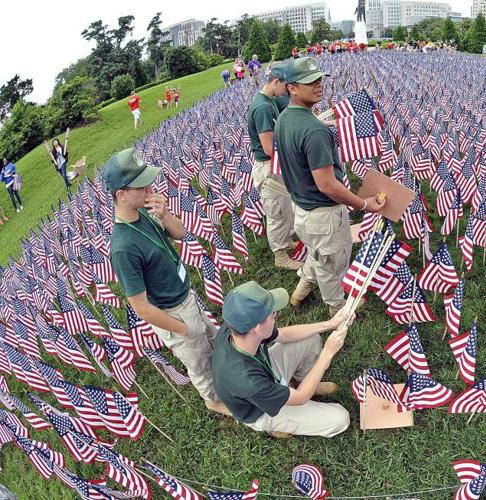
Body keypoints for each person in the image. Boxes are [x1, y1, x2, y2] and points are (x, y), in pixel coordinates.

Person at [103, 148, 231, 417]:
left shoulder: (147, 212)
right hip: (172, 313)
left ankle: (228, 374)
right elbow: (140, 307)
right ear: (121, 195)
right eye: (141, 185)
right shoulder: (123, 248)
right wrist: (182, 329)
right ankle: (214, 399)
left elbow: (181, 234)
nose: (150, 187)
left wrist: (165, 214)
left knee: (216, 340)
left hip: (186, 296)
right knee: (199, 361)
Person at [275, 57, 385, 316]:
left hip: (301, 209)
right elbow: (327, 185)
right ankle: (338, 309)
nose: (318, 85)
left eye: (319, 79)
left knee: (318, 253)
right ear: (292, 88)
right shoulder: (314, 130)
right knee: (333, 265)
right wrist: (364, 205)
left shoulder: (284, 119)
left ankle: (301, 290)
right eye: (309, 82)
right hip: (324, 215)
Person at [212, 280, 352, 438]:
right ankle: (276, 425)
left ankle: (301, 383)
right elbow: (300, 398)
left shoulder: (236, 327)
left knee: (311, 339)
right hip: (261, 410)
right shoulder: (248, 381)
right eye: (272, 314)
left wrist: (330, 324)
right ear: (257, 329)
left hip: (266, 373)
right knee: (340, 418)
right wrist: (327, 353)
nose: (276, 315)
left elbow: (283, 335)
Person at [246, 64, 301, 271]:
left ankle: (286, 243)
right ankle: (280, 255)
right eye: (286, 86)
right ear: (276, 82)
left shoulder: (269, 101)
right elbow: (269, 147)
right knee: (277, 212)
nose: (287, 91)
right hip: (269, 166)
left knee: (285, 206)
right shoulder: (263, 107)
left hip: (274, 164)